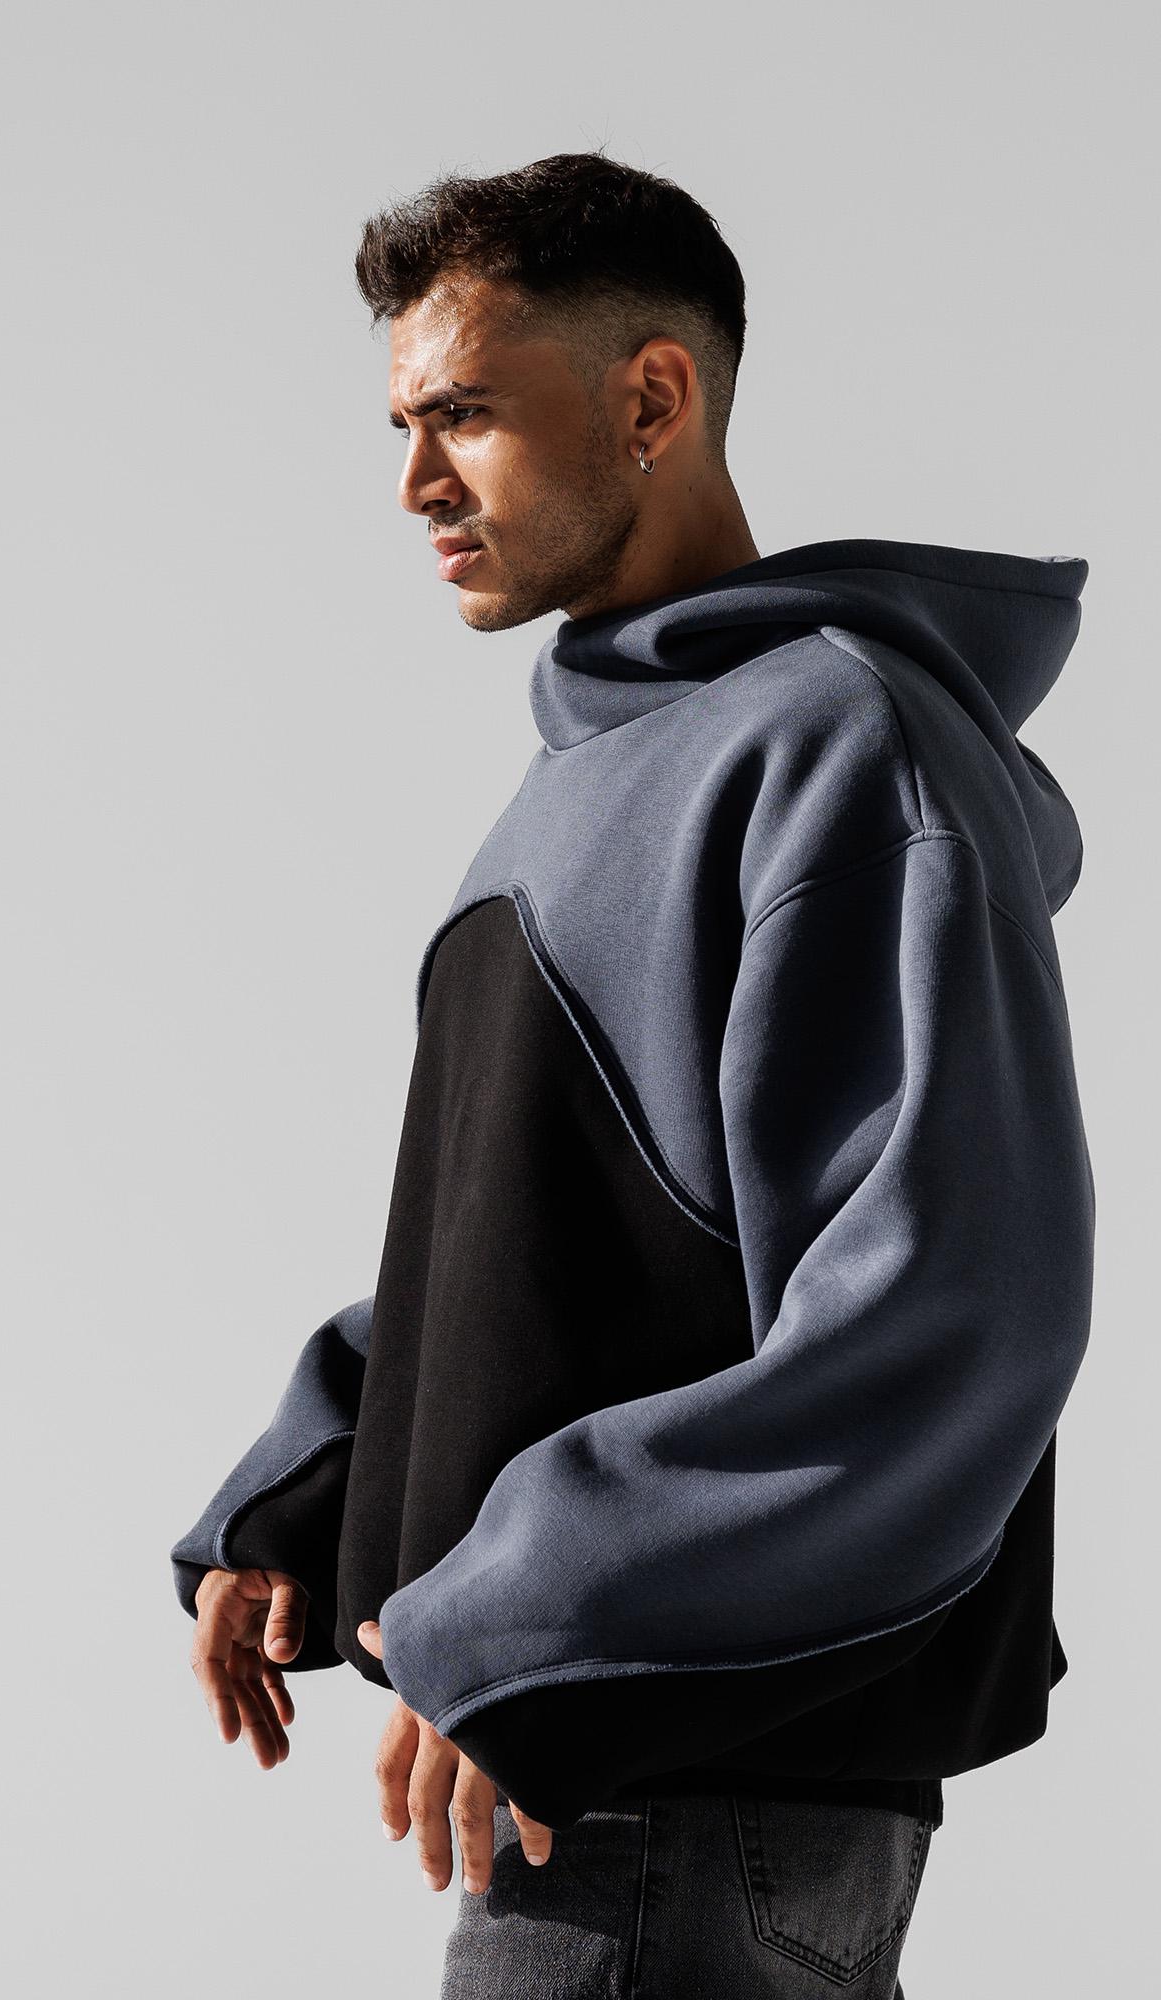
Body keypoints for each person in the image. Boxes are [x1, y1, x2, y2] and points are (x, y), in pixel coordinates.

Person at [169, 150, 1096, 1999]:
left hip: (689, 1801)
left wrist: (538, 1614)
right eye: (402, 426)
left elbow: (947, 1302)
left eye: (463, 415)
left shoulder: (838, 745)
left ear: (652, 398)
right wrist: (310, 1500)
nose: (416, 482)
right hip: (620, 1795)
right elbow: (532, 1254)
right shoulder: (589, 778)